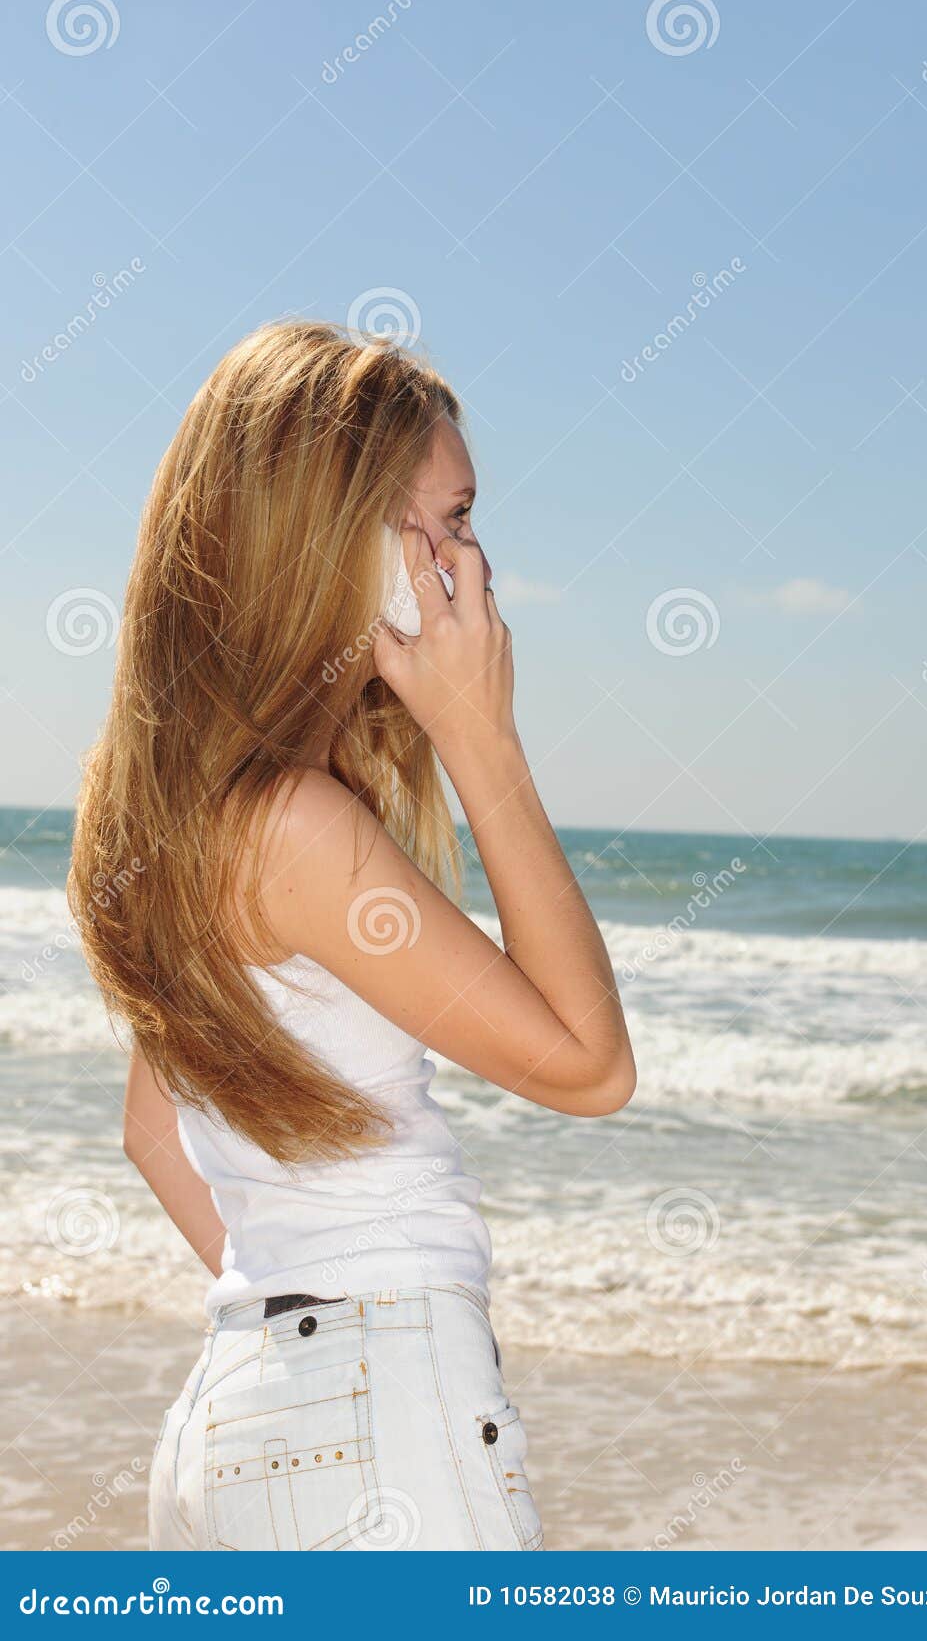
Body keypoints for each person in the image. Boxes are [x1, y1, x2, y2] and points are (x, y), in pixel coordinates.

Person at [69, 320, 636, 1551]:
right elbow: (590, 1065)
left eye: (467, 522)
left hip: (233, 1420)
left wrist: (298, 1329)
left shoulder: (181, 808)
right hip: (378, 1425)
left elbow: (153, 1131)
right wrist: (483, 740)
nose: (465, 567)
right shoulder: (294, 828)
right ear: (328, 545)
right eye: (439, 524)